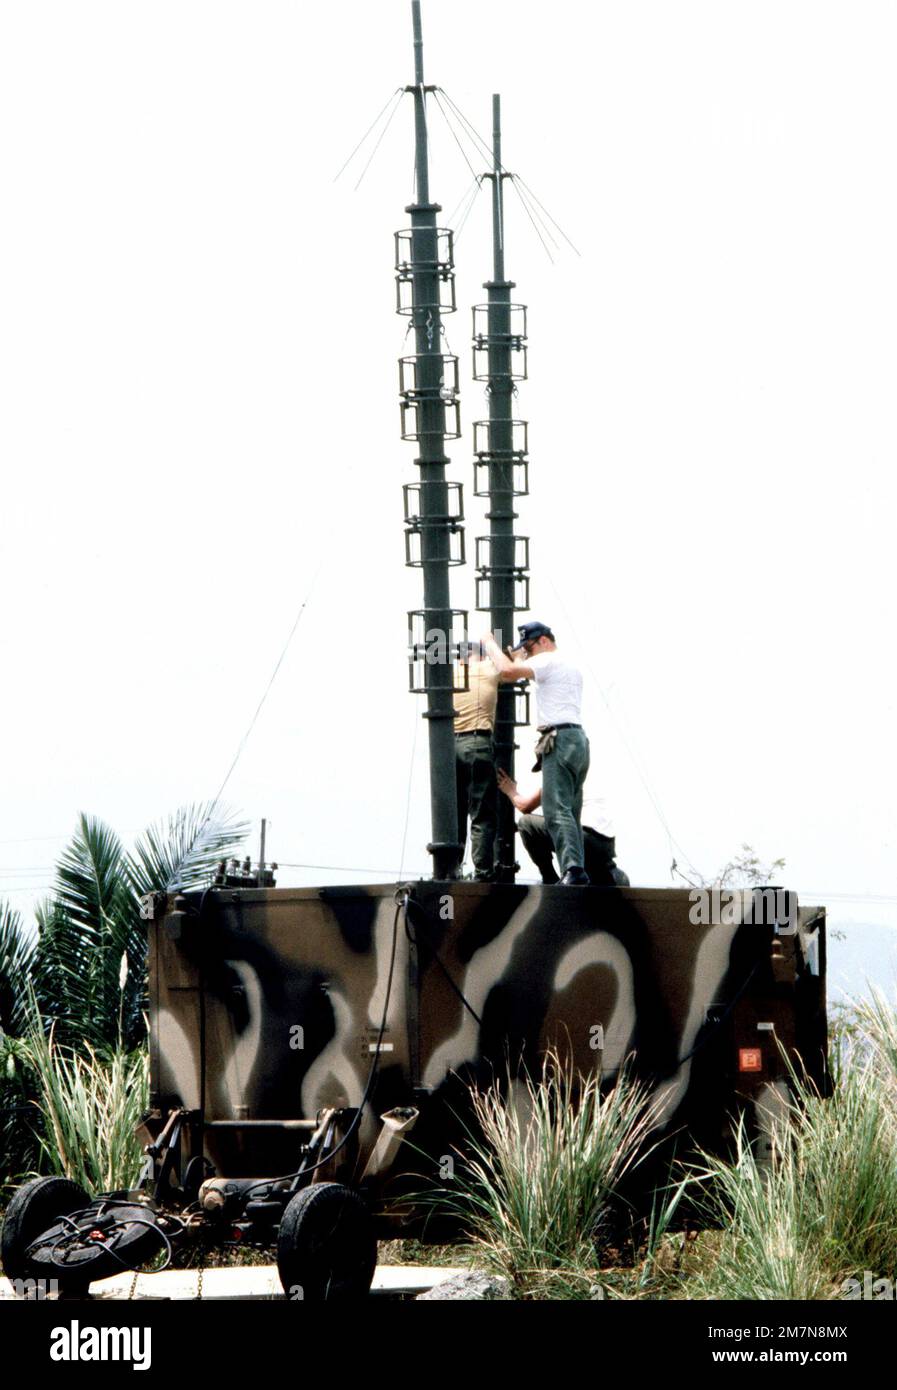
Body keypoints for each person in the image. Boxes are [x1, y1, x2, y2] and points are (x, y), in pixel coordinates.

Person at [481, 621, 591, 886]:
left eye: (529, 647)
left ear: (544, 641)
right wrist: (522, 656)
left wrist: (489, 642)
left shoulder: (548, 660)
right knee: (571, 811)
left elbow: (507, 671)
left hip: (559, 739)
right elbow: (525, 668)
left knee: (556, 811)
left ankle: (573, 871)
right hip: (577, 739)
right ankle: (577, 868)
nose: (528, 654)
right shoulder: (567, 664)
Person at [496, 767, 630, 886]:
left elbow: (525, 807)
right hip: (605, 843)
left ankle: (549, 878)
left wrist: (511, 791)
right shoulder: (581, 770)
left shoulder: (558, 772)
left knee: (526, 823)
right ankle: (610, 873)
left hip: (583, 838)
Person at [451, 642, 499, 881]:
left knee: (454, 813)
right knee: (482, 813)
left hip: (448, 749)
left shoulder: (451, 675)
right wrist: (491, 642)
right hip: (477, 744)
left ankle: (451, 869)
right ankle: (482, 871)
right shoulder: (489, 669)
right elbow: (512, 662)